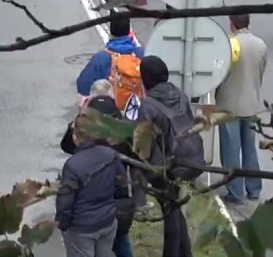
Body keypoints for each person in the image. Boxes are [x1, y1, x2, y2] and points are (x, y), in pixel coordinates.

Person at [137, 56, 198, 257]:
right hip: (190, 158)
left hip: (166, 166)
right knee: (174, 207)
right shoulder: (180, 95)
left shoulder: (148, 106)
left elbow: (144, 145)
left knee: (170, 210)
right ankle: (184, 253)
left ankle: (172, 254)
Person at [215, 14, 267, 204]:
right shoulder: (261, 45)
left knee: (231, 150)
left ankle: (235, 192)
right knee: (249, 149)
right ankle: (254, 188)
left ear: (231, 23)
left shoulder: (228, 45)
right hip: (251, 104)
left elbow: (219, 74)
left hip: (229, 106)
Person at [56, 109, 121, 257]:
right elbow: (121, 184)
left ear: (74, 137)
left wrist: (63, 223)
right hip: (107, 221)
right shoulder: (111, 155)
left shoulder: (72, 165)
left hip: (81, 228)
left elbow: (65, 202)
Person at [75, 17, 146, 117]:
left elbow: (82, 84)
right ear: (129, 32)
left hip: (108, 115)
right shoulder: (140, 54)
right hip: (135, 112)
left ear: (110, 33)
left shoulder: (101, 57)